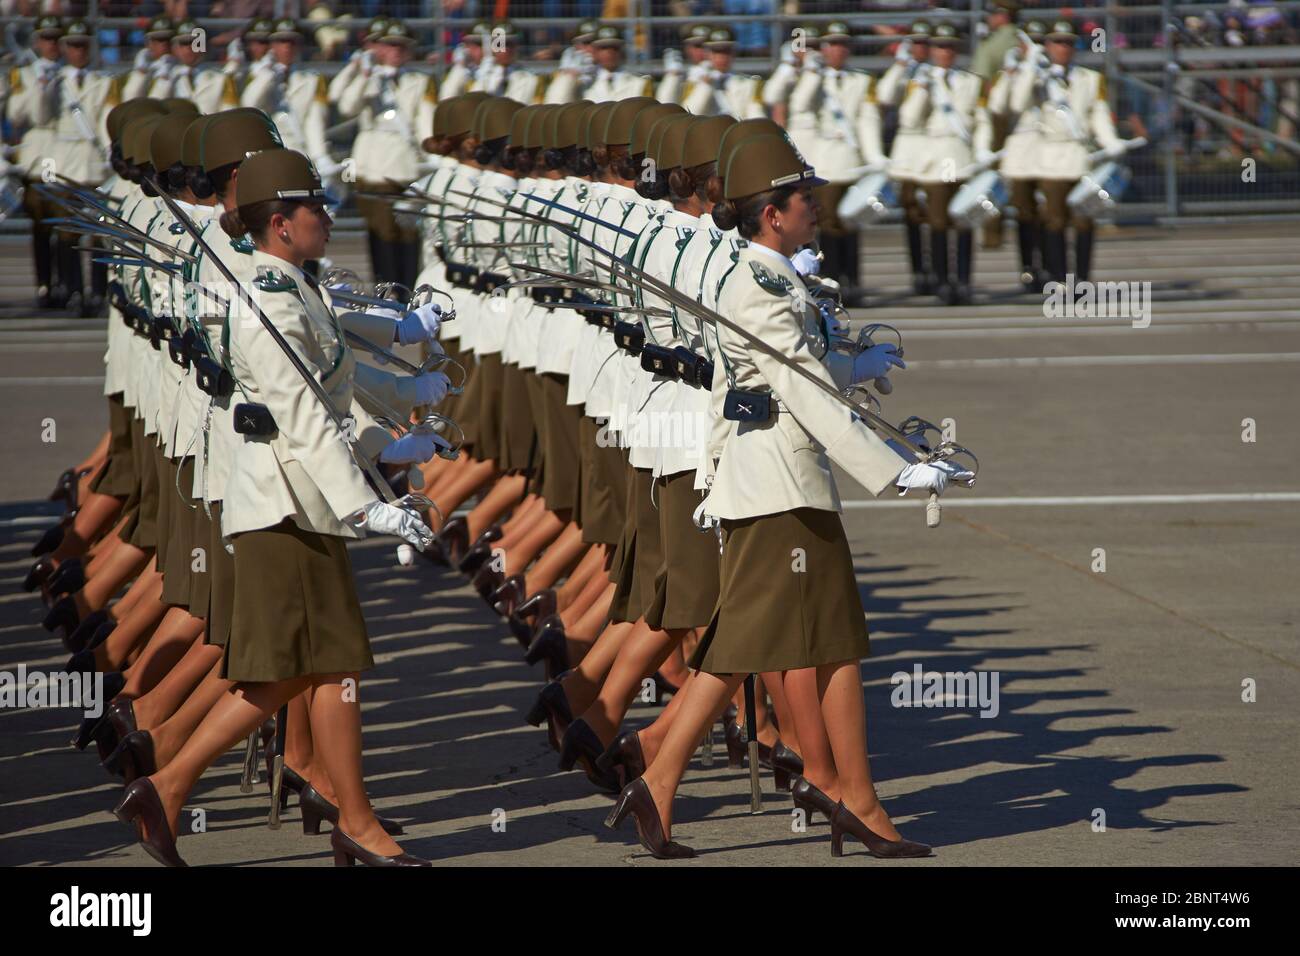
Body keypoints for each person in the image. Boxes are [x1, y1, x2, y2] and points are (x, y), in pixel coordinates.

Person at [605, 128, 954, 859]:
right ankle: (848, 796)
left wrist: (854, 364)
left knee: (780, 643)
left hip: (771, 481)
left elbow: (799, 366)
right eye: (806, 198)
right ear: (773, 212)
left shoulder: (770, 275)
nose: (817, 208)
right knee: (816, 643)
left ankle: (669, 778)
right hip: (778, 486)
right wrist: (893, 465)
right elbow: (799, 385)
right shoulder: (759, 282)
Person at [112, 147, 441, 868]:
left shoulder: (285, 282)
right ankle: (176, 784)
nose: (327, 217)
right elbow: (303, 416)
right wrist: (367, 507)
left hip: (299, 500)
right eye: (313, 209)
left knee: (318, 668)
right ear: (281, 225)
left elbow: (334, 370)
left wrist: (392, 436)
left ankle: (340, 817)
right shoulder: (268, 298)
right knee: (301, 669)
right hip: (285, 504)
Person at [1009, 19, 1124, 286]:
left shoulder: (1090, 78)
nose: (1063, 48)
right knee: (1054, 220)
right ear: (1047, 45)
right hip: (1051, 156)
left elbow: (1098, 114)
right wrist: (1029, 66)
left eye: (1068, 42)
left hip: (1081, 155)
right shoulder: (1037, 77)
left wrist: (1111, 141)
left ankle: (1082, 279)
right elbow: (1016, 103)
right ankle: (1059, 280)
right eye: (1057, 42)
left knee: (1085, 221)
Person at [787, 20, 885, 303]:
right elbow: (801, 105)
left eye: (843, 44)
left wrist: (873, 157)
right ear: (823, 48)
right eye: (832, 44)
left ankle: (852, 282)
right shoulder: (810, 78)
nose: (838, 51)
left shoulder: (861, 80)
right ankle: (827, 282)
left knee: (851, 225)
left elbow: (867, 121)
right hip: (824, 163)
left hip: (850, 162)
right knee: (825, 226)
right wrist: (813, 72)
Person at [336, 17, 437, 288]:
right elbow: (347, 107)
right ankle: (385, 292)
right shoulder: (367, 78)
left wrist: (432, 153)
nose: (396, 51)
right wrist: (366, 76)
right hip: (374, 166)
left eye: (402, 46)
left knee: (408, 235)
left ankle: (407, 291)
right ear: (378, 48)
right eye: (390, 45)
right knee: (381, 235)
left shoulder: (418, 80)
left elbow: (423, 120)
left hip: (405, 166)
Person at [897, 22, 992, 305]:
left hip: (961, 156)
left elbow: (982, 120)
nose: (945, 52)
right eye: (940, 46)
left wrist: (983, 149)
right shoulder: (920, 81)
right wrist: (924, 88)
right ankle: (941, 281)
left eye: (950, 47)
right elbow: (909, 119)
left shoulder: (970, 81)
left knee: (964, 220)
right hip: (936, 158)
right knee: (938, 221)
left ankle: (962, 281)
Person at [42, 18, 118, 316]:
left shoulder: (104, 80)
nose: (78, 51)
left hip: (94, 163)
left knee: (99, 233)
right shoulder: (54, 79)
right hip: (66, 164)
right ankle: (72, 288)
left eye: (83, 45)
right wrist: (43, 85)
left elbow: (106, 118)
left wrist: (108, 155)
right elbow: (40, 116)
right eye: (72, 45)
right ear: (64, 48)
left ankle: (97, 292)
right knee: (67, 233)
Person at [7, 14, 67, 308]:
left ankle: (67, 284)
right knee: (40, 224)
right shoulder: (26, 75)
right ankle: (44, 284)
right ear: (38, 42)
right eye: (46, 39)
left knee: (64, 225)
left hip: (65, 156)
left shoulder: (72, 73)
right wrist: (38, 88)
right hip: (39, 156)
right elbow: (16, 115)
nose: (51, 45)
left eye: (56, 39)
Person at [988, 18, 1049, 291]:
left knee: (1049, 212)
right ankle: (1028, 267)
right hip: (1022, 153)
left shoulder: (1054, 73)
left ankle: (1050, 266)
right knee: (1024, 212)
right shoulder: (1012, 73)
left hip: (1050, 150)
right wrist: (1016, 72)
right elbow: (1004, 105)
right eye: (1028, 43)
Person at [874, 19, 933, 296]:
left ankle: (937, 269)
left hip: (935, 150)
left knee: (937, 214)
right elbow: (885, 96)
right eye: (916, 43)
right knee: (912, 214)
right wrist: (899, 66)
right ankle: (919, 272)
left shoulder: (941, 73)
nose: (921, 49)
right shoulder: (904, 73)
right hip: (908, 152)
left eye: (925, 44)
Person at [680, 26, 764, 120]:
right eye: (716, 51)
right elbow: (689, 115)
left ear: (733, 53)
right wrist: (706, 86)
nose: (722, 57)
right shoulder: (696, 81)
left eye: (726, 51)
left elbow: (757, 117)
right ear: (708, 54)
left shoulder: (748, 83)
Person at [167, 18, 240, 113]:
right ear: (175, 48)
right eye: (183, 43)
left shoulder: (221, 78)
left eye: (196, 43)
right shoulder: (169, 77)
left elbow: (230, 116)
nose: (189, 48)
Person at [472, 21, 548, 103]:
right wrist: (484, 78)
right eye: (499, 44)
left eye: (509, 44)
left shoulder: (527, 78)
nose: (505, 49)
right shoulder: (480, 75)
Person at [584, 25, 653, 103]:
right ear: (595, 52)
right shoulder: (584, 84)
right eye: (603, 48)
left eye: (615, 47)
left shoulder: (640, 83)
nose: (609, 52)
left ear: (622, 51)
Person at [122, 16, 178, 102]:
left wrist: (165, 79)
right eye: (158, 39)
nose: (164, 44)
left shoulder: (182, 70)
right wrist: (140, 74)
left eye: (168, 39)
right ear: (148, 43)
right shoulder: (141, 68)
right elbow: (129, 101)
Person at [543, 19, 598, 104]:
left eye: (596, 42)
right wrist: (571, 77)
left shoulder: (617, 75)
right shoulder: (564, 75)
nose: (591, 48)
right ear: (576, 46)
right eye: (586, 43)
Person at [656, 23, 711, 105]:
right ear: (687, 48)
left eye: (706, 46)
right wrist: (672, 76)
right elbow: (663, 104)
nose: (702, 51)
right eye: (697, 46)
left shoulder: (721, 75)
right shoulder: (682, 73)